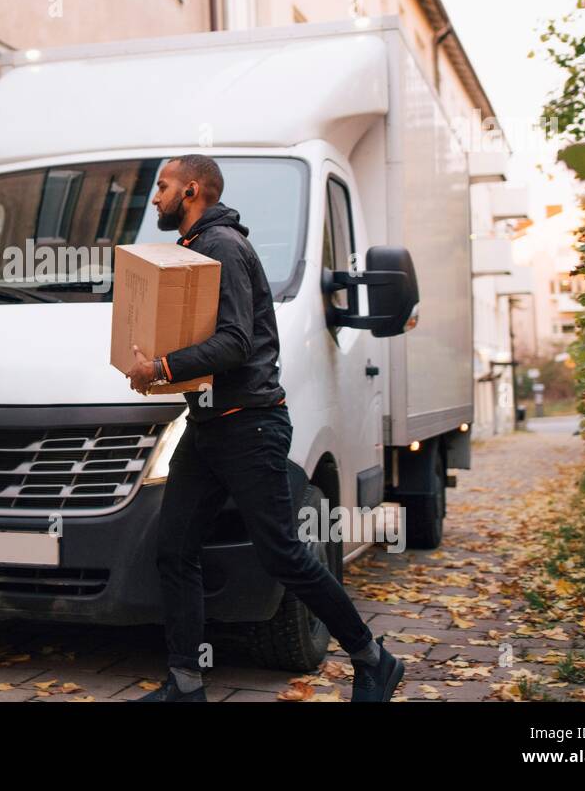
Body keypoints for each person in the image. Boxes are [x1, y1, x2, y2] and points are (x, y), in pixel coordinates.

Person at [127, 154, 403, 703]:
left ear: (193, 191)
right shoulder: (194, 251)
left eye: (163, 186)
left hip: (249, 426)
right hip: (208, 427)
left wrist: (160, 368)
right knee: (175, 549)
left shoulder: (223, 247)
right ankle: (185, 684)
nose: (155, 197)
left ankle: (374, 659)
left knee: (283, 554)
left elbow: (235, 344)